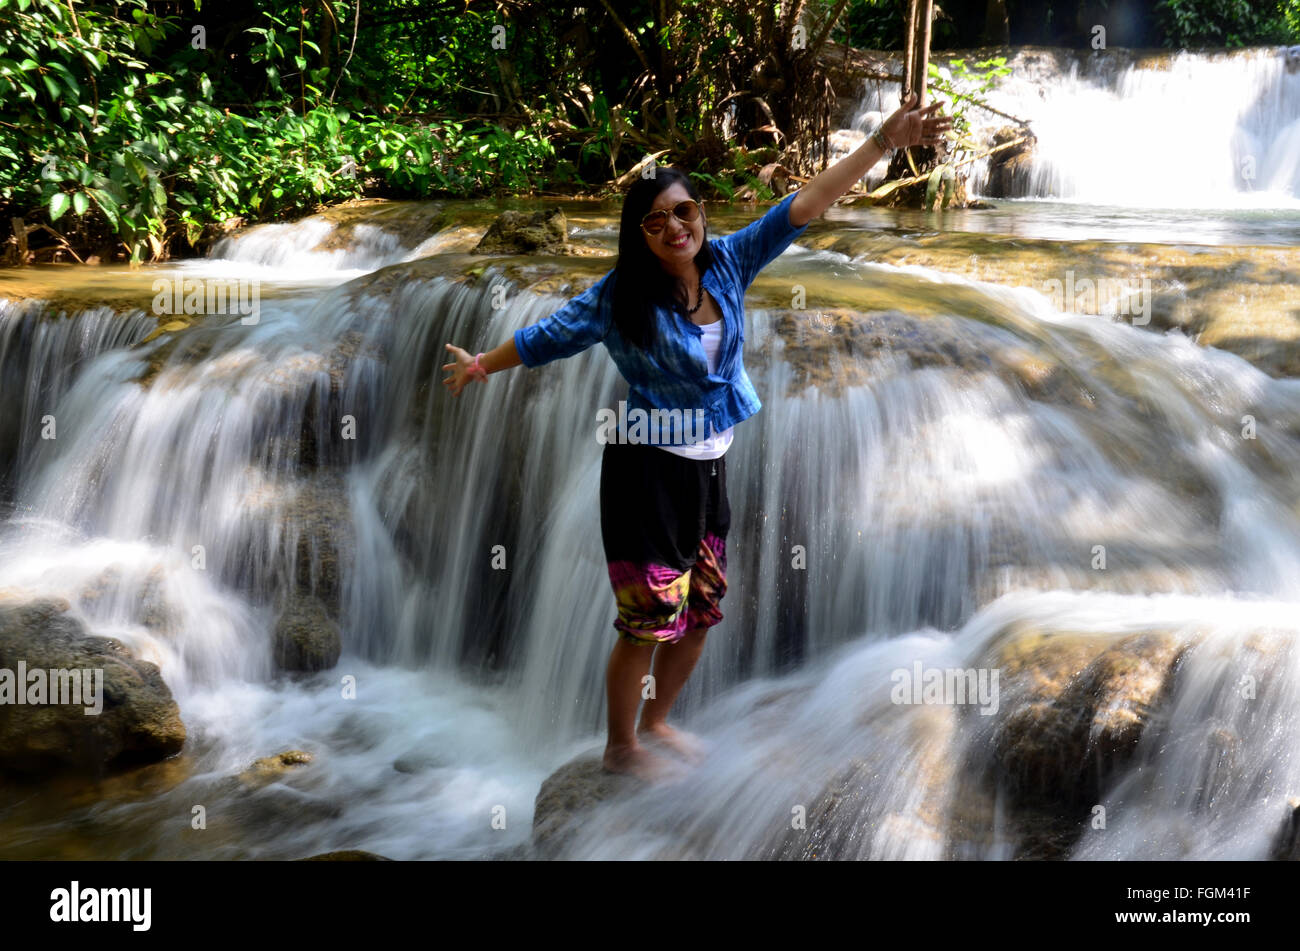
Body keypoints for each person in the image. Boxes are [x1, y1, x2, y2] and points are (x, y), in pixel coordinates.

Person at [444, 93, 951, 781]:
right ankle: (620, 747)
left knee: (703, 612)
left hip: (709, 468)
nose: (675, 226)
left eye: (685, 211)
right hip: (645, 471)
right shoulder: (620, 296)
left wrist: (884, 143)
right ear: (641, 234)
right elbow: (546, 338)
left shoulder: (731, 263)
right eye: (656, 221)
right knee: (647, 621)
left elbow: (810, 202)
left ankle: (657, 721)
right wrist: (482, 364)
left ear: (701, 215)